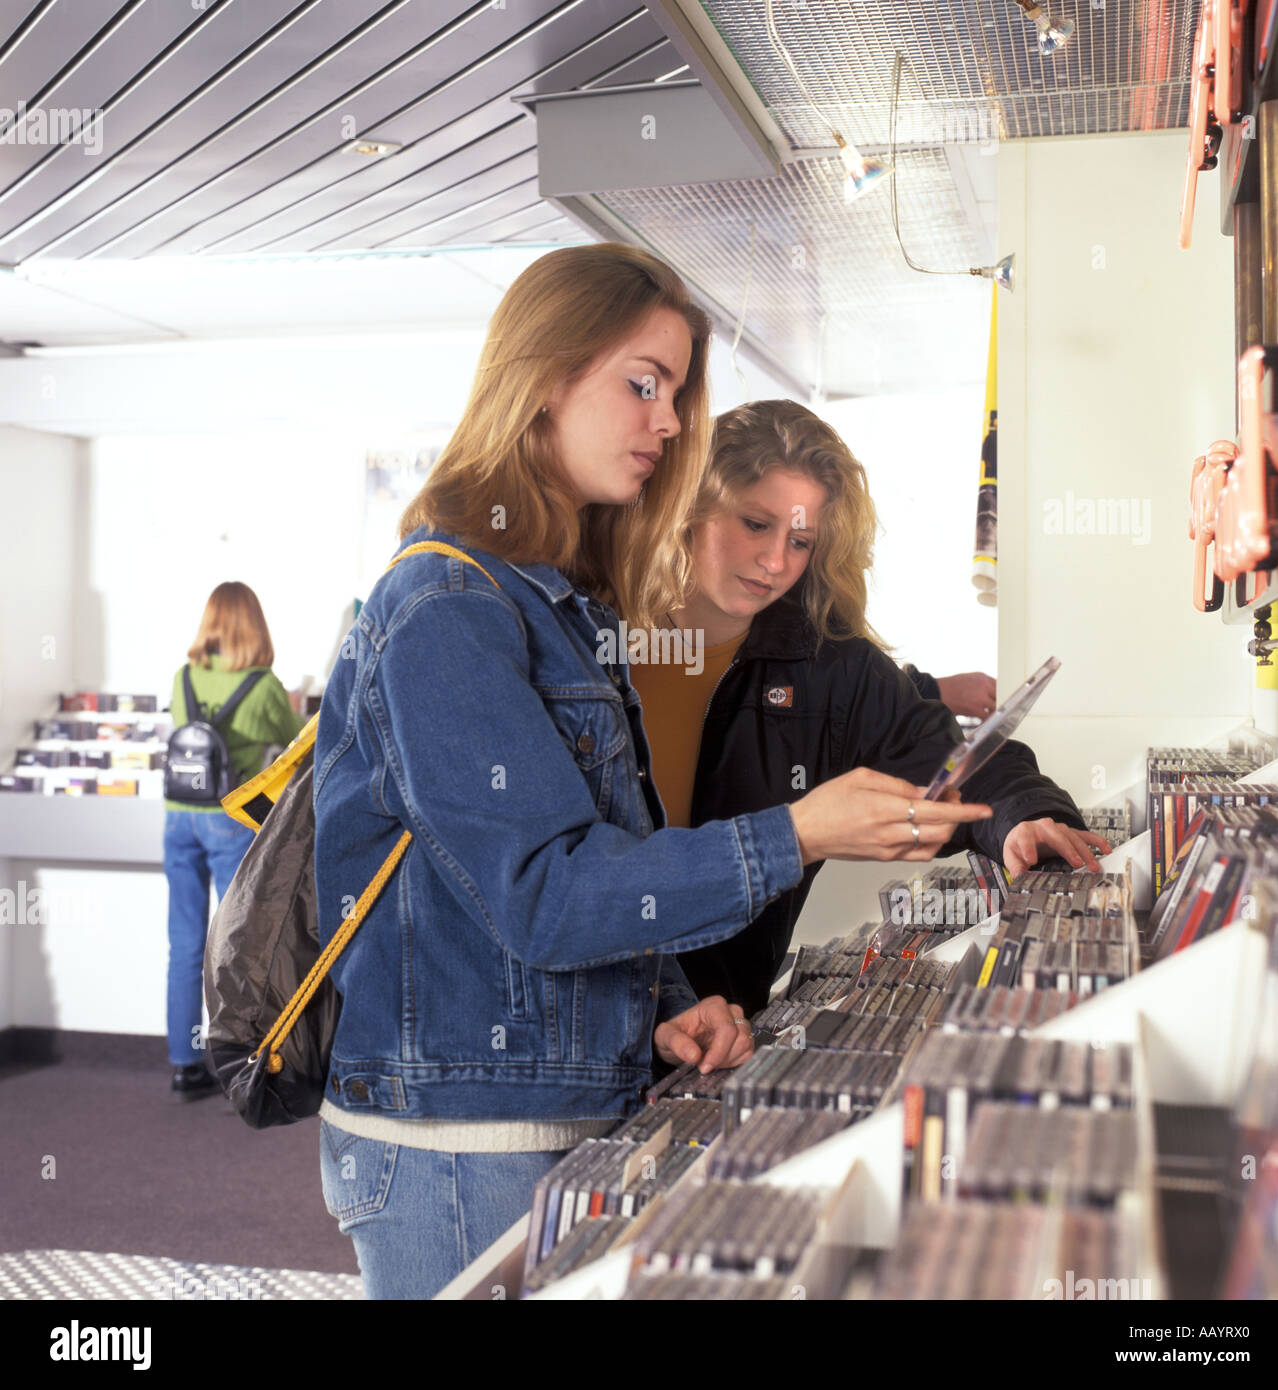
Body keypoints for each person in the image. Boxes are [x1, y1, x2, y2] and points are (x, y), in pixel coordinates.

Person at [312, 245, 993, 1299]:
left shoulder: (555, 604)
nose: (670, 422)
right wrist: (798, 832)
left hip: (552, 1116)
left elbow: (593, 864)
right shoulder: (448, 608)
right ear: (542, 379)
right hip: (461, 1147)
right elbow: (546, 895)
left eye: (674, 392)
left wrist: (663, 1000)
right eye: (643, 383)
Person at [632, 399, 1109, 1017]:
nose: (776, 561)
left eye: (800, 540)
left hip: (717, 1034)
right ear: (691, 508)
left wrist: (1024, 818)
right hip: (576, 1037)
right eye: (755, 524)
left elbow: (955, 761)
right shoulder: (594, 635)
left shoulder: (830, 668)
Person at [164, 582, 304, 1097]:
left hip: (177, 819)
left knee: (183, 943)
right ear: (254, 625)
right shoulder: (262, 684)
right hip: (227, 819)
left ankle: (184, 1064)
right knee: (236, 946)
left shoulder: (183, 678)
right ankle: (241, 1064)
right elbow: (295, 738)